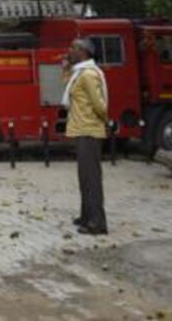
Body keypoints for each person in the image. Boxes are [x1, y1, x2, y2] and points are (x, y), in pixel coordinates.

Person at [63, 37, 109, 235]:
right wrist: (65, 68)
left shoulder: (88, 74)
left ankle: (97, 223)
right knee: (84, 177)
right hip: (82, 129)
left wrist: (103, 121)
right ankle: (86, 215)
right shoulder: (78, 73)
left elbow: (100, 104)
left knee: (91, 178)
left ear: (83, 51)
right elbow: (68, 89)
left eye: (73, 48)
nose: (69, 50)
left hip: (89, 130)